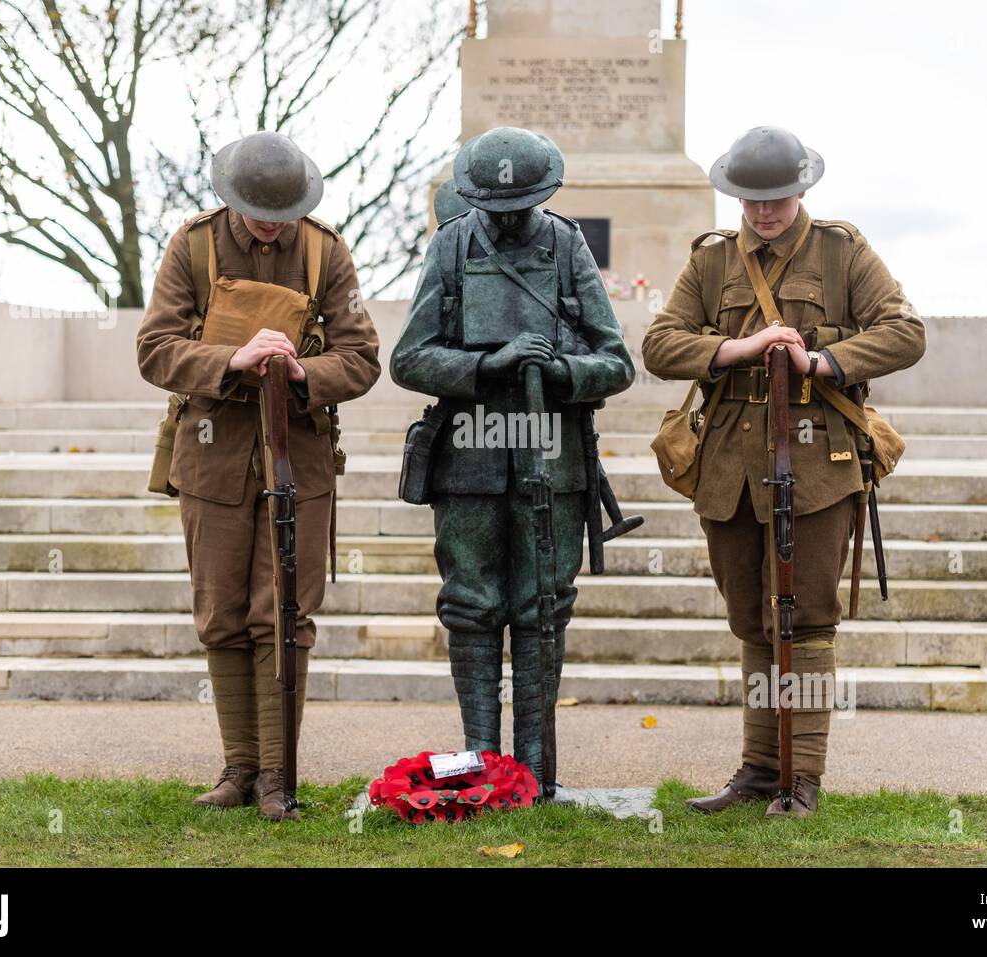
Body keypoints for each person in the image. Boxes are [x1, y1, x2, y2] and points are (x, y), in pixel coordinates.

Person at [642, 126, 925, 817]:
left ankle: (803, 777)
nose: (764, 212)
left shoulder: (842, 251)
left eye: (776, 198)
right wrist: (741, 346)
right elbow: (658, 342)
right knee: (751, 618)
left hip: (818, 461)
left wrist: (820, 357)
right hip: (732, 467)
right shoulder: (712, 261)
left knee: (806, 620)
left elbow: (905, 330)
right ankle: (760, 768)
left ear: (801, 190)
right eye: (751, 200)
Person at [136, 131, 381, 819]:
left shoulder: (325, 251)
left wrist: (306, 372)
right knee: (220, 612)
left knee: (286, 614)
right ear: (231, 198)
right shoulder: (192, 246)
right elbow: (155, 348)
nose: (271, 225)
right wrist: (230, 360)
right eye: (258, 212)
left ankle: (278, 773)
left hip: (296, 454)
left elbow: (362, 355)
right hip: (212, 450)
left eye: (283, 212)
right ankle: (237, 765)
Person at [390, 127, 635, 788]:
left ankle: (532, 764)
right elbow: (409, 358)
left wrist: (559, 372)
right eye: (496, 209)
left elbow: (616, 361)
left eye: (521, 206)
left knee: (542, 606)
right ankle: (479, 758)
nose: (508, 219)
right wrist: (485, 364)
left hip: (550, 460)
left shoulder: (566, 245)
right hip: (468, 458)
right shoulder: (450, 245)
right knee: (470, 605)